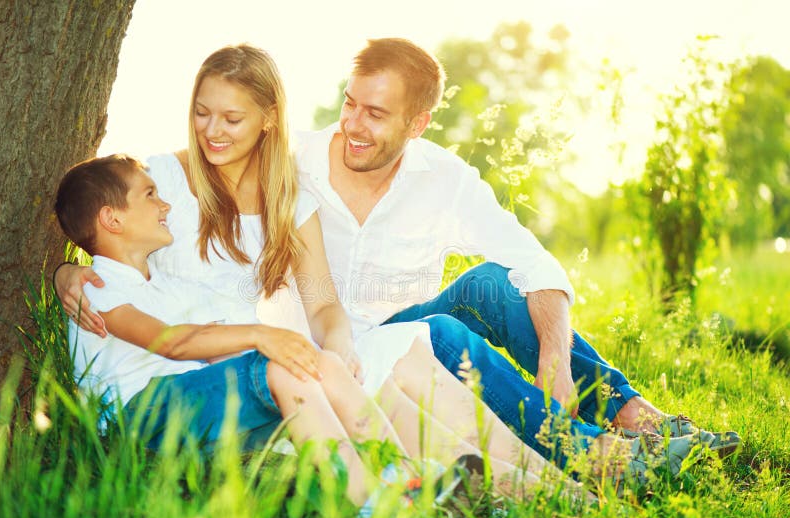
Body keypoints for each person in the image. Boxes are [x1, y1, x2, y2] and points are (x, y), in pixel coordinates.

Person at [54, 44, 699, 489]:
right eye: (201, 113)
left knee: (480, 297)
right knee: (431, 338)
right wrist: (66, 270)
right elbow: (107, 226)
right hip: (211, 367)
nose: (212, 131)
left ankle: (592, 448)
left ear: (269, 120)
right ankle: (576, 463)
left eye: (231, 118)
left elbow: (323, 301)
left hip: (301, 350)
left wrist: (338, 347)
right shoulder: (162, 184)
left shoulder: (290, 188)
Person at [288, 37, 740, 462]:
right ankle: (595, 453)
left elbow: (535, 262)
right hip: (316, 351)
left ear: (417, 124)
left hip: (403, 332)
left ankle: (638, 419)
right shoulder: (293, 163)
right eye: (350, 103)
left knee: (492, 284)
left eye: (375, 113)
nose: (353, 124)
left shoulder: (444, 179)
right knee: (437, 332)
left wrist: (555, 360)